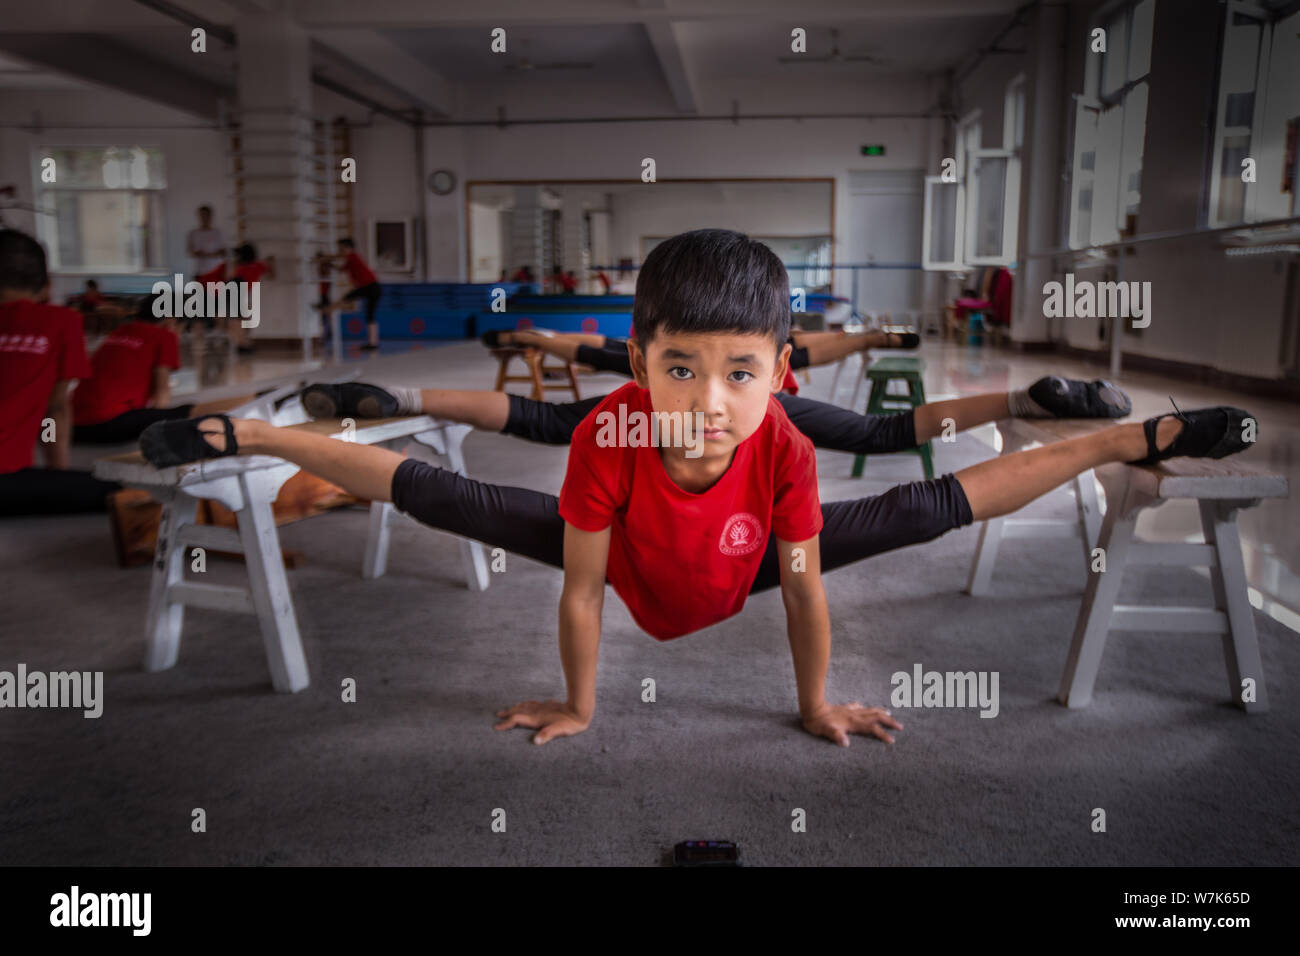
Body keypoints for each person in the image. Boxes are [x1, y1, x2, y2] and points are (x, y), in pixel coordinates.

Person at [138, 229, 1256, 747]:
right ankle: (250, 427)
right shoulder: (614, 430)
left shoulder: (781, 443)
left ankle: (1126, 436)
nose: (710, 399)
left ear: (782, 370)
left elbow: (810, 587)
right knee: (444, 493)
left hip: (750, 557)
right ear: (639, 362)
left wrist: (816, 702)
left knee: (919, 507)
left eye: (741, 372)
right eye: (681, 365)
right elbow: (578, 590)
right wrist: (579, 702)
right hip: (626, 542)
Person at [0, 229, 121, 515]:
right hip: (6, 481)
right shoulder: (60, 322)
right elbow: (55, 411)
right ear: (46, 285)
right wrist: (58, 475)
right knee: (123, 494)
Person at [70, 292, 195, 444]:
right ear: (171, 321)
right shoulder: (165, 336)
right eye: (181, 327)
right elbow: (162, 392)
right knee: (194, 411)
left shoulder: (120, 331)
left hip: (73, 426)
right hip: (107, 425)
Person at [319, 238, 382, 351]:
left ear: (349, 248)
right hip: (372, 287)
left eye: (342, 249)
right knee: (369, 315)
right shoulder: (351, 259)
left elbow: (338, 257)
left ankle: (326, 309)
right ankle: (373, 343)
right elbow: (341, 269)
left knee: (346, 300)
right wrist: (330, 265)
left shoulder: (353, 257)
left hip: (369, 287)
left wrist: (325, 258)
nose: (340, 251)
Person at [229, 242, 275, 354]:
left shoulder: (240, 267)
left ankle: (242, 344)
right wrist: (271, 263)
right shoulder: (258, 266)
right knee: (242, 321)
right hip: (241, 294)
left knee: (240, 321)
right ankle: (243, 344)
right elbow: (272, 276)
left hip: (235, 293)